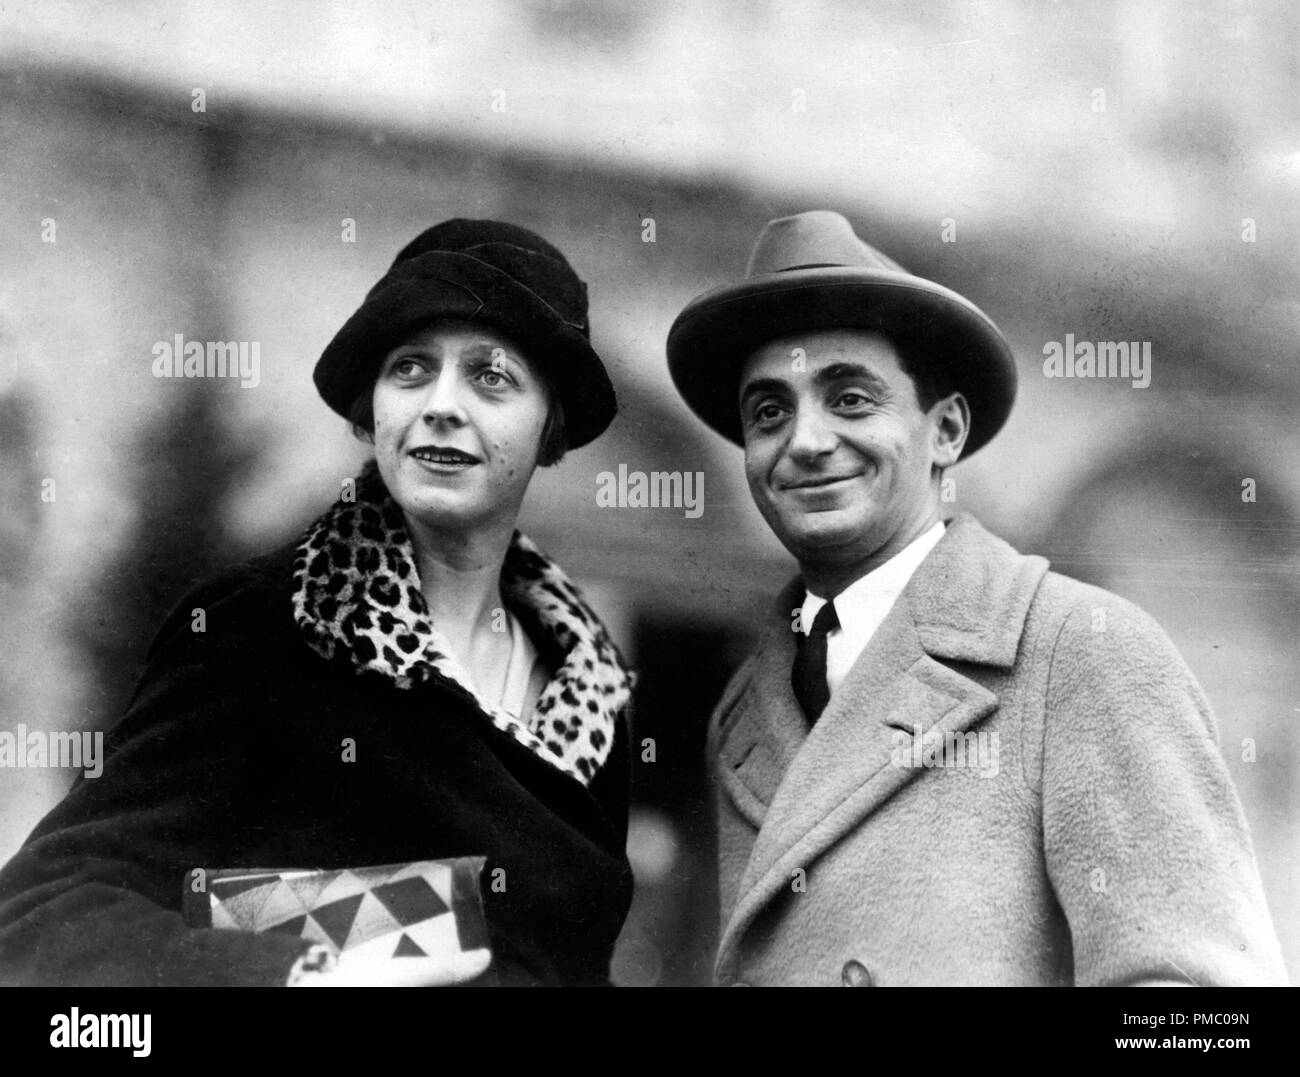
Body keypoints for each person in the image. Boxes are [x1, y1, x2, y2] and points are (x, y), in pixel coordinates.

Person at [0, 219, 635, 986]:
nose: (441, 404)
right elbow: (48, 908)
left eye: (491, 376)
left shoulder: (592, 695)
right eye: (409, 370)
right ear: (371, 411)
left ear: (551, 427)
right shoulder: (262, 624)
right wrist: (318, 966)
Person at [666, 209, 1287, 987]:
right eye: (769, 411)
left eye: (851, 398)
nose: (806, 440)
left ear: (947, 430)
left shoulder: (1078, 649)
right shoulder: (745, 711)